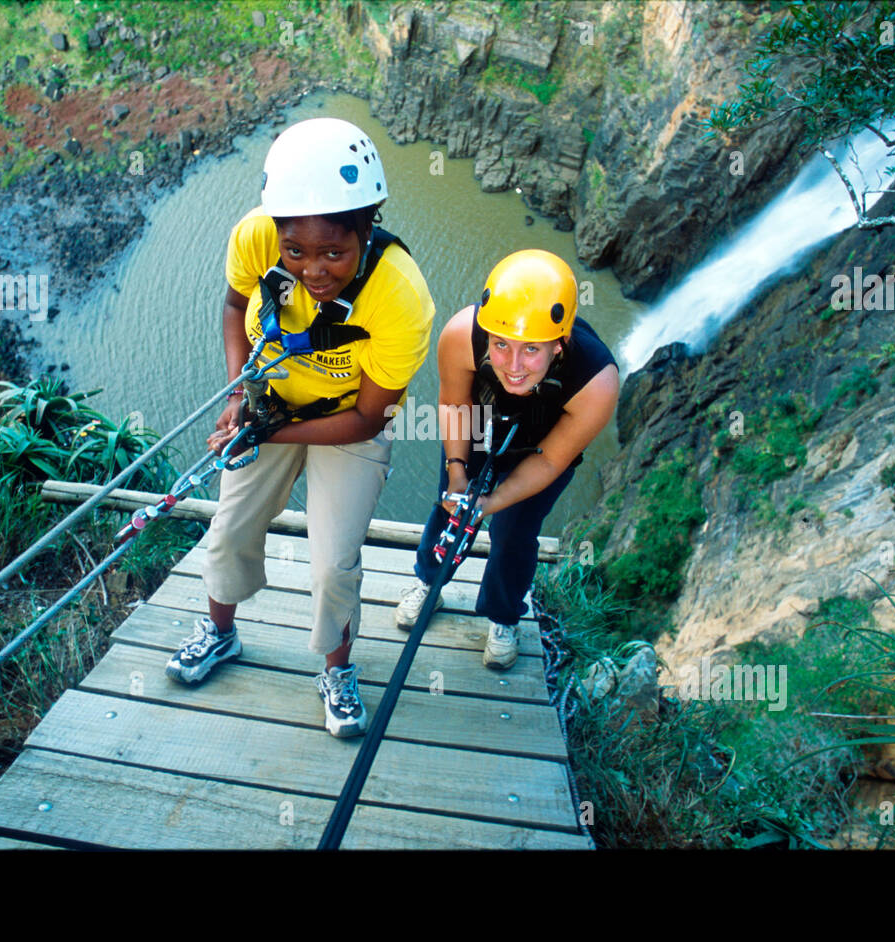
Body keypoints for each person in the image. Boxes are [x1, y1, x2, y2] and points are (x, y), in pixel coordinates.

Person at [166, 117, 435, 738]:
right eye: (296, 252)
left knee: (333, 562)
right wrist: (240, 396)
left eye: (334, 253)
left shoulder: (400, 297)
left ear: (368, 227)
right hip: (270, 399)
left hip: (348, 420)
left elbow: (368, 417)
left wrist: (265, 433)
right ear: (276, 233)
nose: (314, 270)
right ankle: (221, 633)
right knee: (230, 526)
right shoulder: (254, 237)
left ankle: (337, 670)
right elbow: (236, 305)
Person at [394, 249, 619, 669]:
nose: (514, 366)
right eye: (500, 345)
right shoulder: (463, 335)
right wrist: (457, 474)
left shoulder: (595, 381)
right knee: (450, 506)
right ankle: (429, 580)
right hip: (478, 422)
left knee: (515, 530)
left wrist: (493, 502)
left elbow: (550, 462)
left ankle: (503, 615)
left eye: (531, 349)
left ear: (559, 344)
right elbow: (454, 403)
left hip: (542, 445)